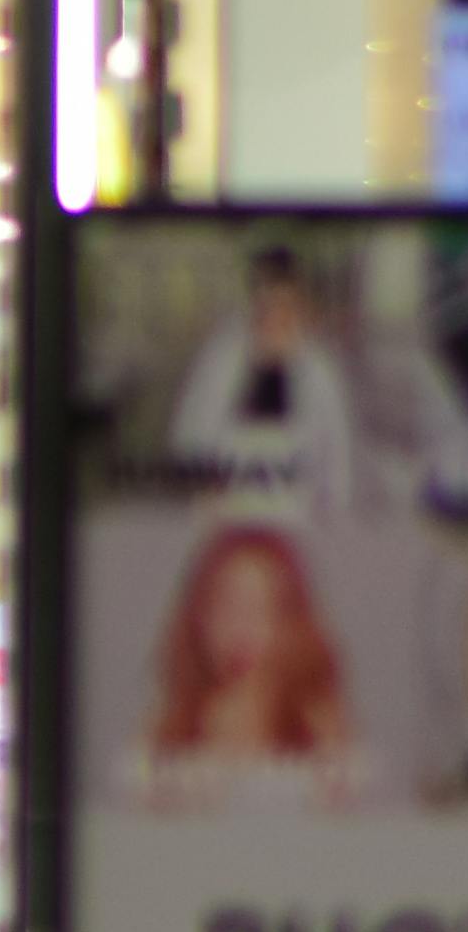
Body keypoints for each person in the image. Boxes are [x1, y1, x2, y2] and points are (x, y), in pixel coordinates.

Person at [138, 519, 361, 793]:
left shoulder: (321, 729)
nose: (242, 628)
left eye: (261, 608)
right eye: (228, 605)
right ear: (200, 616)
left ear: (289, 623)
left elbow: (346, 811)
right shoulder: (167, 731)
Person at [165, 242, 356, 515]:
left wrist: (332, 508)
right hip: (229, 505)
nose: (275, 316)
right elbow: (192, 431)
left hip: (296, 508)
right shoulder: (222, 358)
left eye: (285, 306)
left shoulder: (318, 370)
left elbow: (336, 451)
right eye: (267, 305)